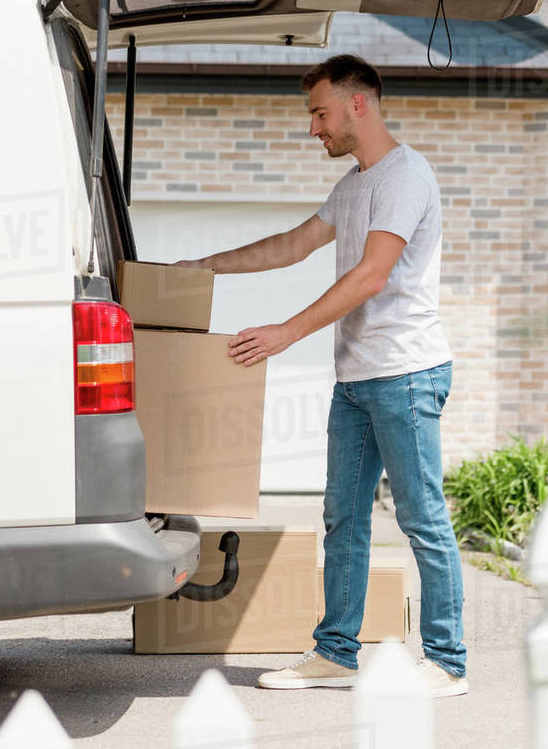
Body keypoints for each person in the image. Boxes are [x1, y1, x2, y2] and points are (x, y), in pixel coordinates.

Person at [175, 54, 467, 697]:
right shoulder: (355, 184)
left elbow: (371, 275)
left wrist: (284, 334)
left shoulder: (404, 176)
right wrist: (204, 265)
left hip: (406, 374)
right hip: (359, 379)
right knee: (344, 518)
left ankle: (447, 663)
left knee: (422, 518)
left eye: (320, 112)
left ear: (357, 104)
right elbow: (290, 245)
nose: (314, 128)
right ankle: (337, 653)